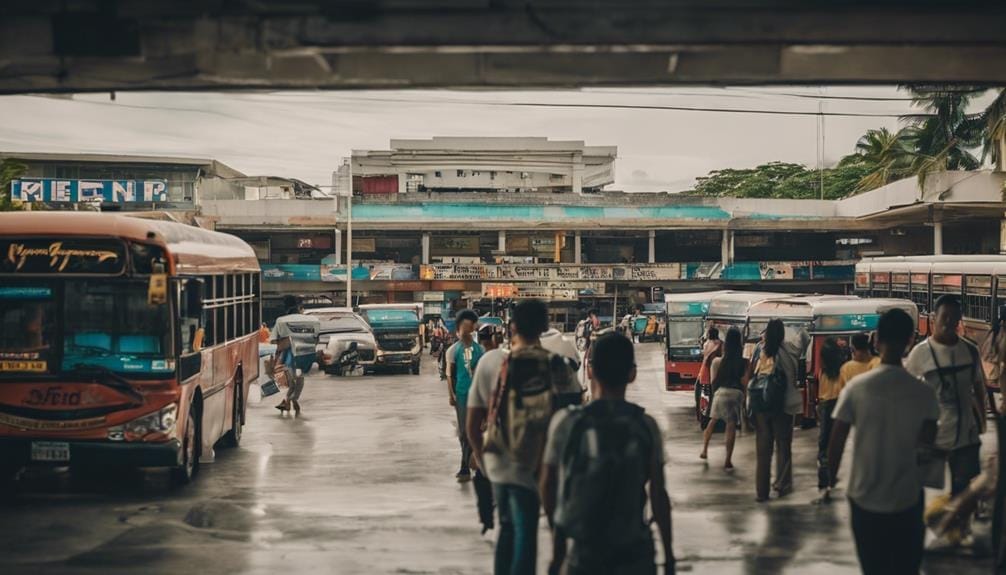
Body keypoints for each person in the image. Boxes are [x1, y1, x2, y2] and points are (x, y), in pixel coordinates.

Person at [541, 333, 675, 575]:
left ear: (590, 370)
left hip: (584, 554)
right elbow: (658, 495)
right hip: (635, 553)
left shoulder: (566, 423)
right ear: (632, 374)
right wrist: (669, 557)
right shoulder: (646, 426)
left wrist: (559, 549)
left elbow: (550, 488)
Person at [467, 299, 580, 575]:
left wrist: (482, 462)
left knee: (506, 527)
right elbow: (572, 421)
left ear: (511, 326)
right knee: (525, 534)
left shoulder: (491, 362)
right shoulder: (558, 366)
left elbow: (472, 424)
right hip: (535, 465)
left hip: (497, 461)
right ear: (545, 326)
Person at [827, 308, 940, 575]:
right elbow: (927, 447)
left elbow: (837, 438)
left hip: (864, 497)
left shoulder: (857, 388)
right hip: (907, 499)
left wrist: (831, 476)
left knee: (874, 569)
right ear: (910, 340)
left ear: (876, 340)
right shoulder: (924, 393)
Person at [905, 294, 987, 502]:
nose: (949, 323)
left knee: (963, 491)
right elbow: (907, 394)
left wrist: (983, 421)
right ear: (934, 318)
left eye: (955, 318)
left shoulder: (970, 350)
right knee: (930, 492)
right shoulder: (919, 354)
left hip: (966, 434)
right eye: (945, 318)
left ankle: (957, 529)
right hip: (934, 438)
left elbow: (978, 386)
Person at [748, 319, 802, 502]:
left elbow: (756, 376)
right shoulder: (790, 351)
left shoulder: (762, 351)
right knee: (783, 447)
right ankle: (781, 484)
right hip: (784, 406)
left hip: (762, 406)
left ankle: (761, 492)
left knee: (763, 452)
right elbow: (805, 339)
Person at [700, 326, 748, 470]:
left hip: (721, 392)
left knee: (712, 421)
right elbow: (745, 384)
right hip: (736, 394)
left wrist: (716, 395)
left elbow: (714, 381)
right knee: (731, 426)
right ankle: (727, 460)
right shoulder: (745, 362)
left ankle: (705, 450)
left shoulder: (717, 362)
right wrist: (743, 400)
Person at [445, 309, 484, 482]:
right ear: (458, 331)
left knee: (477, 430)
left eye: (471, 328)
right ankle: (464, 465)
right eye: (465, 328)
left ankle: (474, 465)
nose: (468, 332)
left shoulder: (480, 350)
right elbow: (449, 375)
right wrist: (451, 395)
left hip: (478, 395)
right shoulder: (453, 351)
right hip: (461, 395)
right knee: (464, 432)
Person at [815, 337, 845, 492]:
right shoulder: (842, 371)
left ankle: (823, 474)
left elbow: (820, 393)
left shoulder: (822, 372)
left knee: (824, 440)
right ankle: (832, 473)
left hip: (825, 405)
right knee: (836, 440)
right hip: (839, 404)